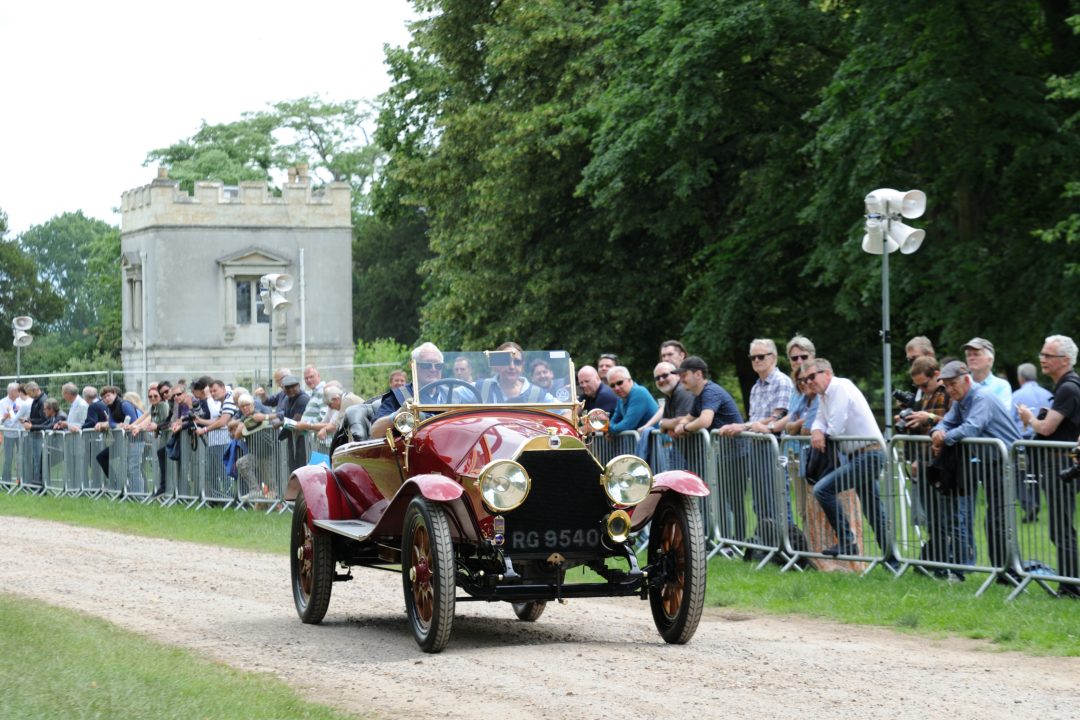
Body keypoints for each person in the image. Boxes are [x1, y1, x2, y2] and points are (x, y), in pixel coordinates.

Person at [805, 359, 898, 568]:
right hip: (860, 455)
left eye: (812, 376)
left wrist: (821, 432)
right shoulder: (824, 395)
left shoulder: (839, 387)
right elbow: (819, 420)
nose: (809, 382)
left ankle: (847, 541)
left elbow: (835, 427)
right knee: (874, 511)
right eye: (805, 379)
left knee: (822, 490)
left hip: (869, 454)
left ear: (827, 373)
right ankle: (893, 562)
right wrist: (817, 431)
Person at [931, 361, 1021, 577]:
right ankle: (1003, 572)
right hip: (990, 461)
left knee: (999, 519)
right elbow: (948, 422)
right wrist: (937, 431)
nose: (950, 390)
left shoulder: (982, 397)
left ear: (966, 380)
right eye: (946, 386)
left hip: (1007, 461)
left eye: (953, 384)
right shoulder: (960, 400)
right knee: (993, 520)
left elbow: (972, 427)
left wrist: (944, 438)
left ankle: (1009, 572)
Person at [1017, 335, 1080, 599]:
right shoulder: (1066, 386)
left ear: (1065, 360)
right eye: (1042, 354)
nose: (1042, 359)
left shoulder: (1068, 388)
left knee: (1061, 528)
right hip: (1059, 462)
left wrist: (1030, 418)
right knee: (1059, 527)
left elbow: (1047, 428)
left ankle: (1071, 586)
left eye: (1048, 355)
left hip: (1060, 463)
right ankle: (1069, 583)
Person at [897, 356, 962, 579]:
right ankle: (936, 563)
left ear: (936, 375)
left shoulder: (949, 392)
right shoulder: (925, 395)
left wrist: (930, 418)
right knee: (933, 519)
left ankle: (952, 565)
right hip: (925, 462)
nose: (921, 390)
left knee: (946, 518)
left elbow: (953, 422)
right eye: (917, 386)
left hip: (944, 464)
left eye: (924, 384)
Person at [371, 342, 449, 437]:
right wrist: (398, 414)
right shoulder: (400, 395)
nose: (433, 369)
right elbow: (374, 431)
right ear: (414, 367)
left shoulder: (452, 396)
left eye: (438, 366)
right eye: (427, 365)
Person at [672, 356, 742, 435]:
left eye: (684, 375)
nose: (681, 380)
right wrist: (681, 424)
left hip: (735, 443)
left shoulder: (710, 392)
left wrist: (684, 428)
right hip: (723, 442)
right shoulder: (699, 395)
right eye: (680, 376)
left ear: (698, 374)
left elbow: (704, 421)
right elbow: (687, 419)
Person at [475, 342, 553, 404]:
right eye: (506, 361)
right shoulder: (480, 387)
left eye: (517, 362)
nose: (512, 366)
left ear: (522, 365)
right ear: (497, 363)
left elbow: (561, 410)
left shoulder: (537, 393)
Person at [962, 337, 1012, 413]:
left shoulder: (1001, 386)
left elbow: (1002, 414)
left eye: (976, 354)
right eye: (969, 355)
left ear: (990, 360)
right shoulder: (962, 383)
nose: (971, 358)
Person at [604, 366, 659, 434]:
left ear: (629, 380)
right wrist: (610, 428)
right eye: (612, 385)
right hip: (644, 439)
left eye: (619, 383)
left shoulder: (638, 392)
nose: (616, 388)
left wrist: (610, 430)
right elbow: (614, 420)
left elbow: (627, 425)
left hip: (659, 440)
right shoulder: (620, 398)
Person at [1, 382, 30, 486]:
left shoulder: (22, 401)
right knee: (8, 458)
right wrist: (4, 417)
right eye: (17, 390)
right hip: (9, 433)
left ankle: (22, 481)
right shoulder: (2, 402)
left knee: (23, 457)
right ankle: (6, 482)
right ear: (11, 391)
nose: (19, 392)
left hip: (22, 433)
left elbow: (27, 415)